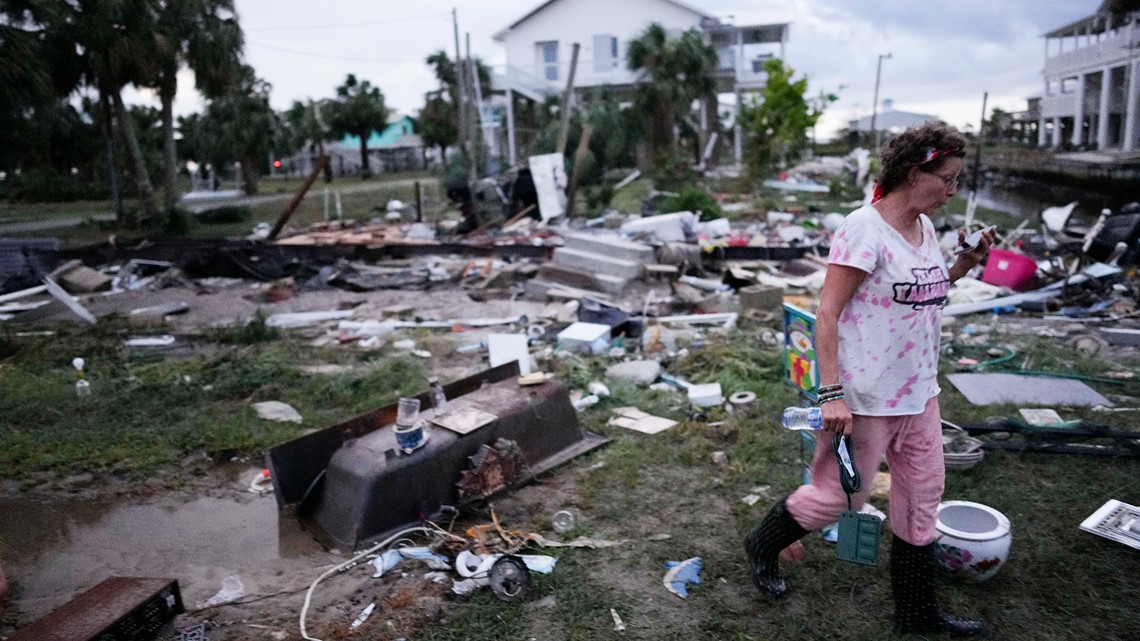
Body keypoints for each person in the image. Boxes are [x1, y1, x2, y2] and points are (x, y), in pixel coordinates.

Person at [744, 123, 995, 636]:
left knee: (922, 499)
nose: (953, 191)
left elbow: (922, 292)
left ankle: (916, 615)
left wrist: (963, 265)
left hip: (919, 393)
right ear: (914, 173)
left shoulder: (925, 229)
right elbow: (828, 313)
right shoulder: (863, 228)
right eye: (947, 179)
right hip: (864, 400)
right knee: (839, 499)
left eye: (957, 180)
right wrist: (831, 394)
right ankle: (762, 545)